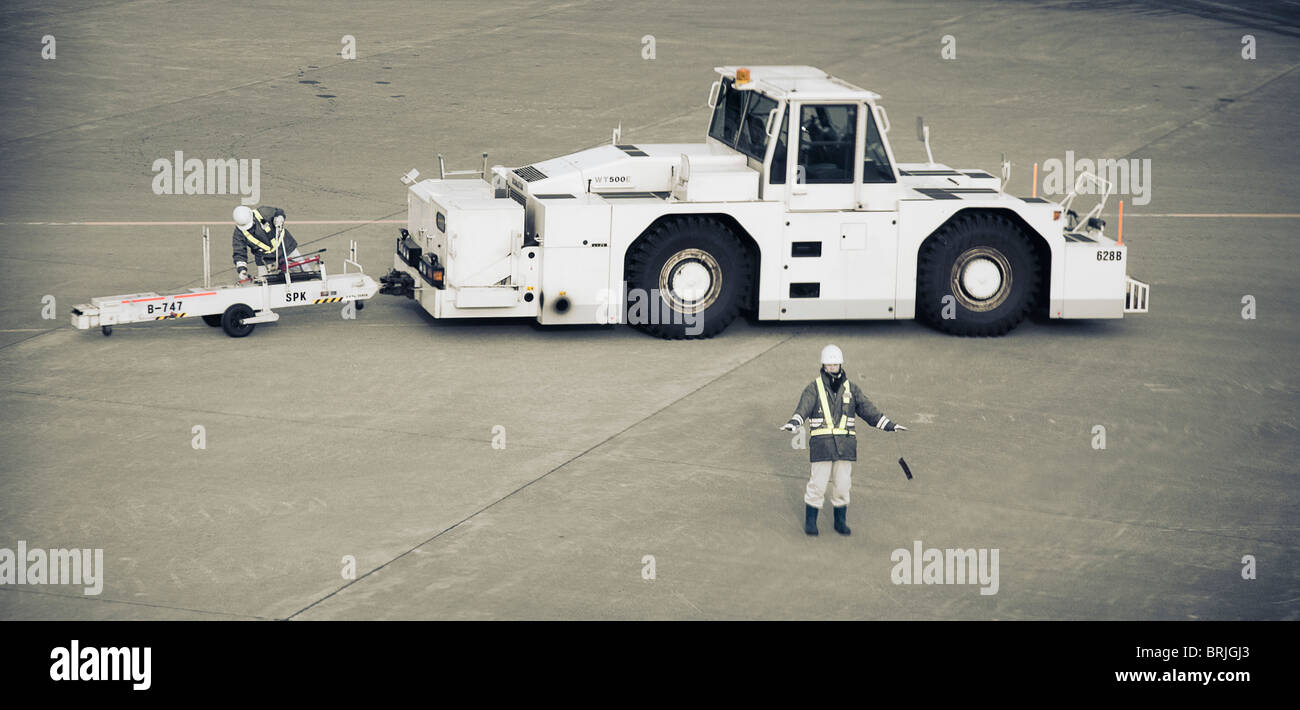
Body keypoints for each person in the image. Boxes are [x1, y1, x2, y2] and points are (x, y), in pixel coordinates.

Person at [780, 344, 907, 536]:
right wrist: (793, 423)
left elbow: (867, 409)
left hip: (845, 446)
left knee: (842, 485)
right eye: (829, 365)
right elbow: (803, 409)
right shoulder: (813, 388)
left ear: (841, 364)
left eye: (835, 365)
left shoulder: (851, 388)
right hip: (822, 446)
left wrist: (890, 425)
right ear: (823, 365)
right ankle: (811, 523)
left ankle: (840, 521)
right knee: (817, 484)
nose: (832, 368)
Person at [231, 205, 302, 282]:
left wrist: (279, 218)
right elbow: (239, 252)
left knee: (305, 271)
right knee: (263, 283)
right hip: (264, 259)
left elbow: (278, 211)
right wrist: (242, 270)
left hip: (286, 247)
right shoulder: (239, 233)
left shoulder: (263, 212)